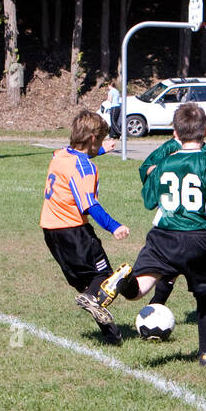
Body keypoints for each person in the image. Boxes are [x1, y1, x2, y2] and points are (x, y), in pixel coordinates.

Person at [103, 104, 206, 365]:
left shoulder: (164, 161)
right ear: (205, 130)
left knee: (138, 291)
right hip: (196, 237)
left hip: (162, 236)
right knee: (205, 298)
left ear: (175, 133)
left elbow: (149, 199)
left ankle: (124, 280)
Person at [42, 110, 131, 343]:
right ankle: (94, 300)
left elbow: (76, 159)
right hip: (74, 230)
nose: (100, 143)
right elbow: (89, 204)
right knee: (104, 277)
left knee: (86, 285)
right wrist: (114, 226)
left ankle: (111, 336)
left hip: (50, 231)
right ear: (92, 139)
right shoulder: (85, 168)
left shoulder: (60, 155)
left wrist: (102, 150)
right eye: (100, 140)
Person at [138, 132, 206, 325]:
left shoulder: (202, 148)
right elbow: (146, 169)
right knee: (179, 263)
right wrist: (172, 166)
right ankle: (158, 305)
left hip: (200, 212)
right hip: (182, 214)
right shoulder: (170, 148)